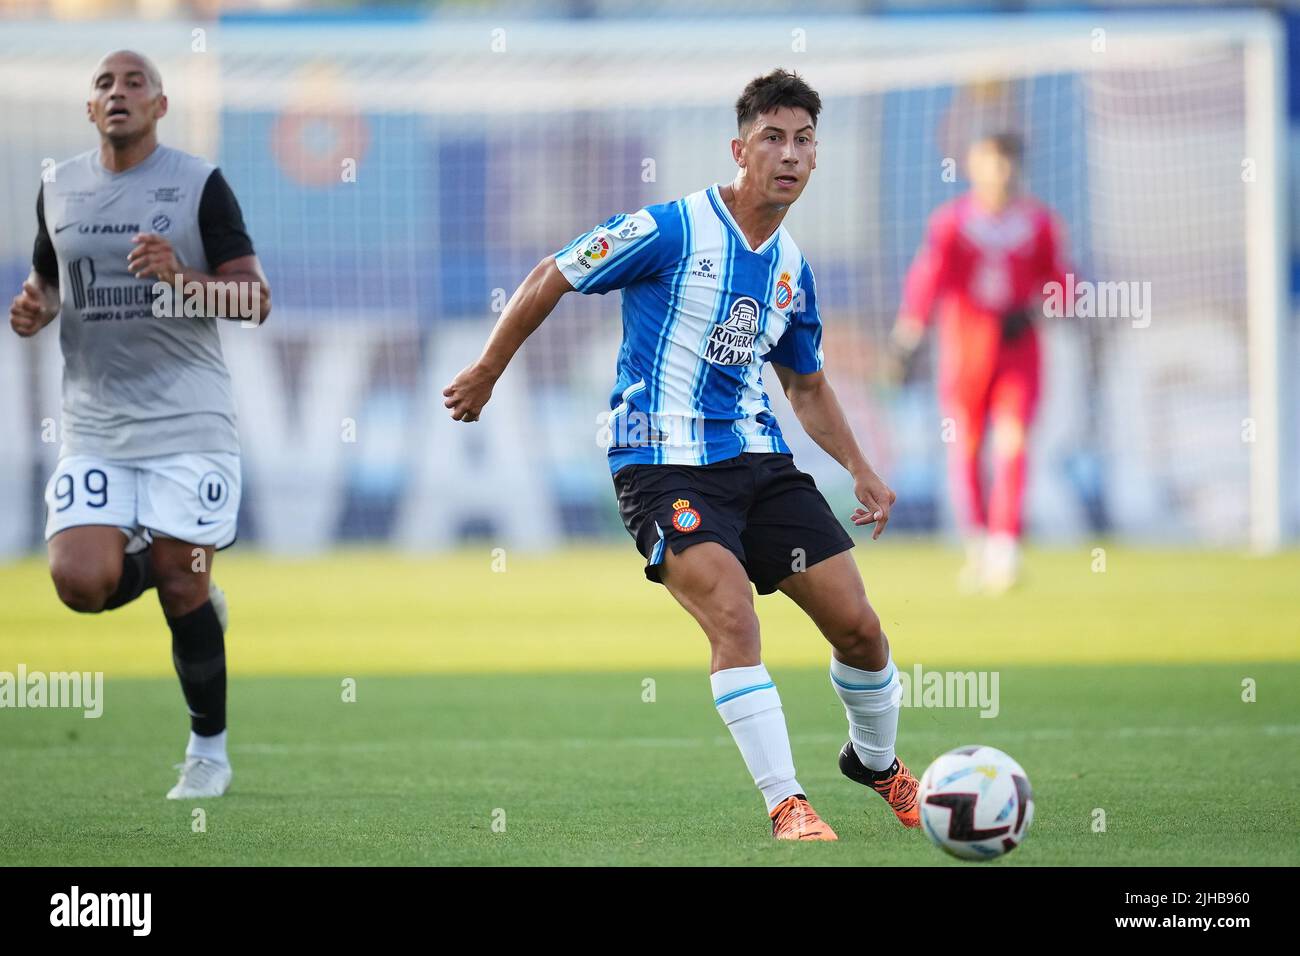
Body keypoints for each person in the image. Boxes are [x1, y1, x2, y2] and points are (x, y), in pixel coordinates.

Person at [443, 69, 919, 840]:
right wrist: (488, 371)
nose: (789, 155)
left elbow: (804, 384)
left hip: (759, 463)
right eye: (773, 138)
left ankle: (873, 760)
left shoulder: (793, 268)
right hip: (659, 464)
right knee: (734, 618)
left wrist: (862, 469)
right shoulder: (669, 229)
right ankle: (785, 802)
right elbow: (552, 273)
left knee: (861, 629)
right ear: (740, 148)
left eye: (803, 141)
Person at [8, 50, 271, 799]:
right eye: (103, 85)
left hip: (189, 422)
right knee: (79, 583)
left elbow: (255, 301)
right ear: (90, 111)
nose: (117, 93)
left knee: (181, 588)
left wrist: (184, 280)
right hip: (94, 426)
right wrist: (35, 308)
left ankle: (208, 752)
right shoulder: (58, 188)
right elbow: (50, 283)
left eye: (134, 83)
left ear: (160, 106)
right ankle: (168, 570)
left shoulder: (198, 186)